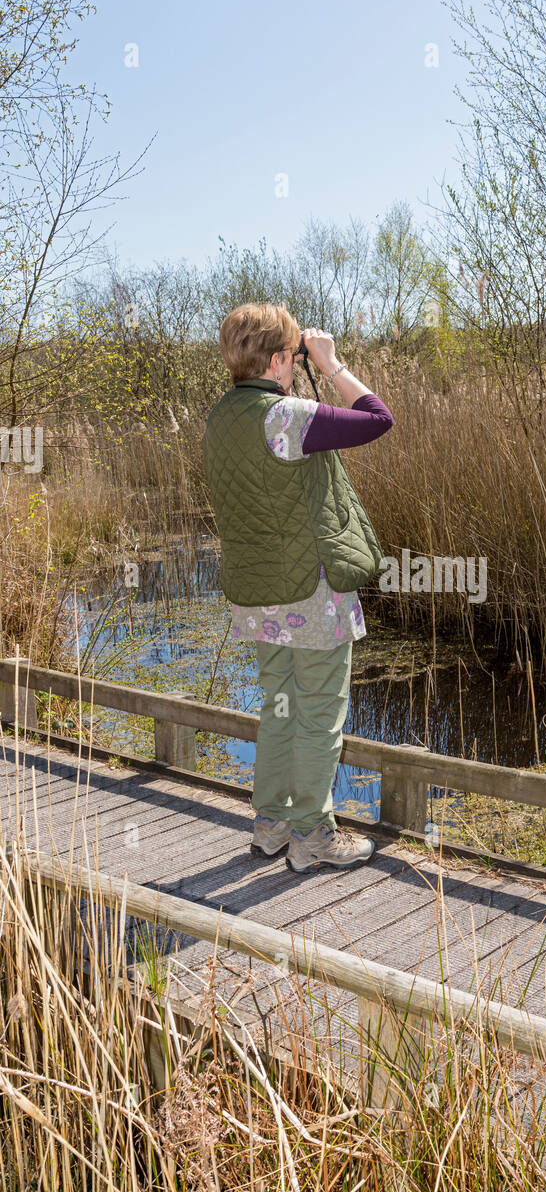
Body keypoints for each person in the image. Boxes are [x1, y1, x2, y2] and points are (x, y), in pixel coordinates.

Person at [203, 303, 394, 872]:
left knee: (279, 707)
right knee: (319, 713)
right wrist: (333, 365)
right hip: (309, 598)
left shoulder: (220, 418)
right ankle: (313, 835)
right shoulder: (284, 417)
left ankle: (271, 825)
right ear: (281, 359)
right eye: (293, 356)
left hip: (257, 595)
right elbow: (378, 417)